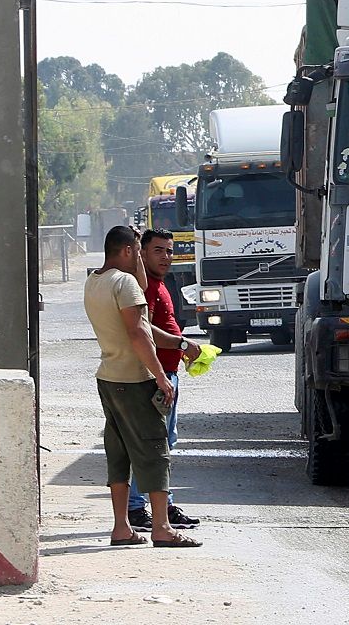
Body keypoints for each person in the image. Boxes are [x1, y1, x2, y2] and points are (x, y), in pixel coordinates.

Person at [83, 225, 201, 548]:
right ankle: (162, 528)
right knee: (155, 451)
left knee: (118, 455)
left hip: (108, 377)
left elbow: (142, 305)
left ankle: (121, 527)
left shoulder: (94, 282)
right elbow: (140, 333)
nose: (141, 256)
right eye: (137, 250)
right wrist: (161, 377)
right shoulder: (124, 285)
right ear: (126, 252)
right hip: (135, 380)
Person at [127, 229, 203, 532]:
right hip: (156, 378)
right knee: (151, 444)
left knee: (164, 443)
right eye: (158, 251)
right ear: (141, 253)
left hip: (168, 375)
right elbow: (142, 330)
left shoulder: (159, 284)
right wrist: (182, 344)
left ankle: (164, 506)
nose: (166, 257)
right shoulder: (144, 287)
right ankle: (136, 508)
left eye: (170, 251)